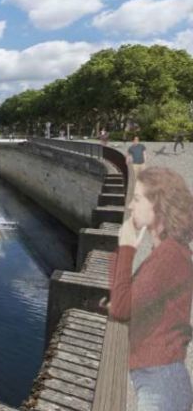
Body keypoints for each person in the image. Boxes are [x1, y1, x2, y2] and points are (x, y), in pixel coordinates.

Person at [110, 167, 193, 410]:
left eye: (137, 199)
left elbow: (122, 308)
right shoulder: (168, 252)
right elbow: (137, 302)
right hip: (160, 378)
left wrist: (126, 249)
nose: (130, 206)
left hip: (161, 382)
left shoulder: (169, 255)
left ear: (157, 205)